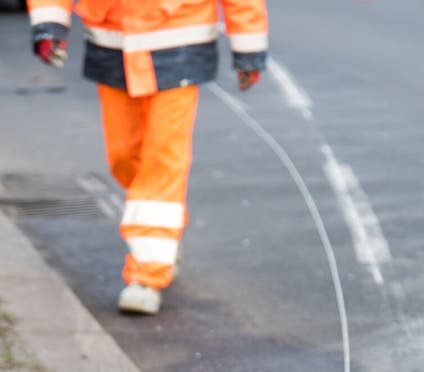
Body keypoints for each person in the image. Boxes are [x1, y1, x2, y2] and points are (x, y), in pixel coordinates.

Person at [27, 0, 269, 315]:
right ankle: (164, 236)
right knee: (125, 157)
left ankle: (148, 273)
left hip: (180, 39)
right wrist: (50, 24)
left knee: (162, 159)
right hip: (111, 43)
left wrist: (248, 49)